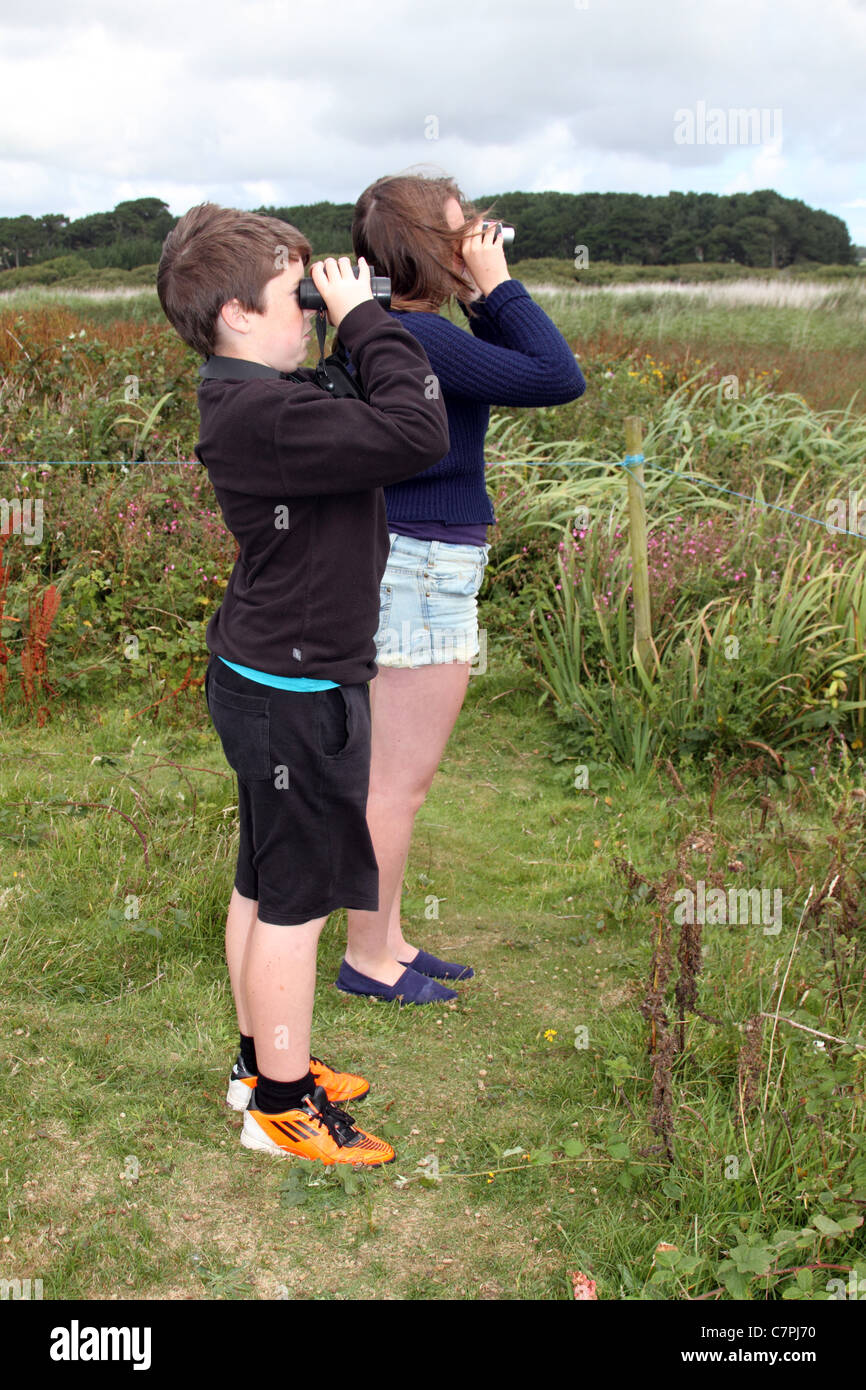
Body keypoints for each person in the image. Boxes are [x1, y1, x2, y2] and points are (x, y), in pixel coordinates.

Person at [156, 202, 450, 1164]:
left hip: (264, 676)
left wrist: (343, 315)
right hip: (295, 692)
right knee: (298, 902)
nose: (318, 312)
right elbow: (416, 432)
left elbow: (356, 410)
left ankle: (259, 1066)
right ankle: (281, 1108)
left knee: (262, 879)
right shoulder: (271, 413)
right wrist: (370, 320)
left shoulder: (249, 396)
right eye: (301, 299)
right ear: (238, 314)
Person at [336, 172, 586, 1002]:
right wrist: (499, 282)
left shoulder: (393, 331)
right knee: (395, 784)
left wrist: (477, 292)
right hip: (421, 566)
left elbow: (513, 372)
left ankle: (389, 939)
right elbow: (555, 375)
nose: (477, 238)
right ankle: (368, 958)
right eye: (461, 231)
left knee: (391, 778)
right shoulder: (418, 338)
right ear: (427, 249)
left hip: (411, 559)